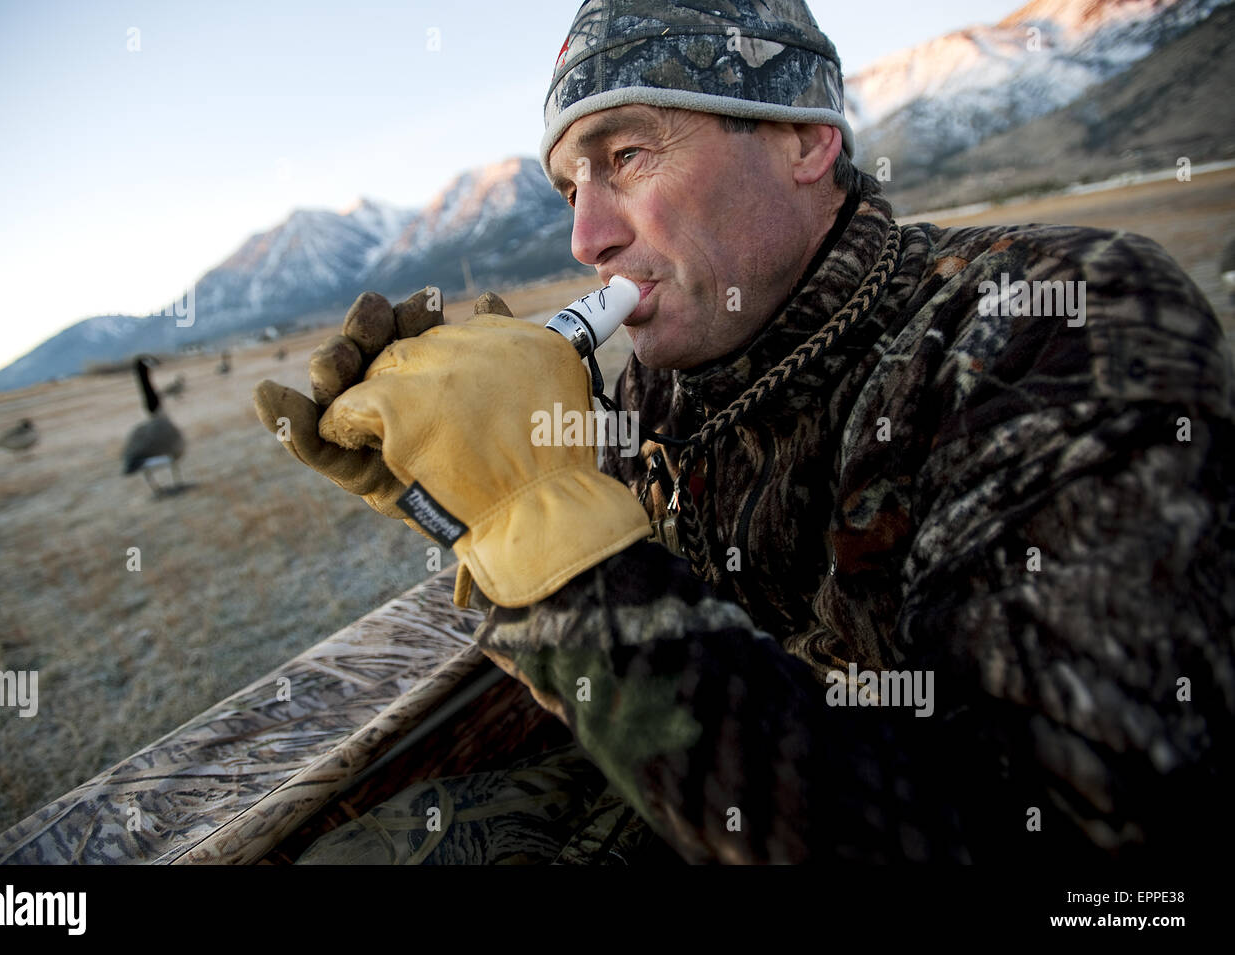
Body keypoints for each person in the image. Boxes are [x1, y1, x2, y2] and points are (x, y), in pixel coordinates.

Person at [255, 0, 1235, 863]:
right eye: (568, 186)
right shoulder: (652, 390)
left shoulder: (1049, 321)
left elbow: (1089, 851)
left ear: (804, 140)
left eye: (626, 155)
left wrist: (553, 536)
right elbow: (614, 662)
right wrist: (458, 504)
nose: (585, 237)